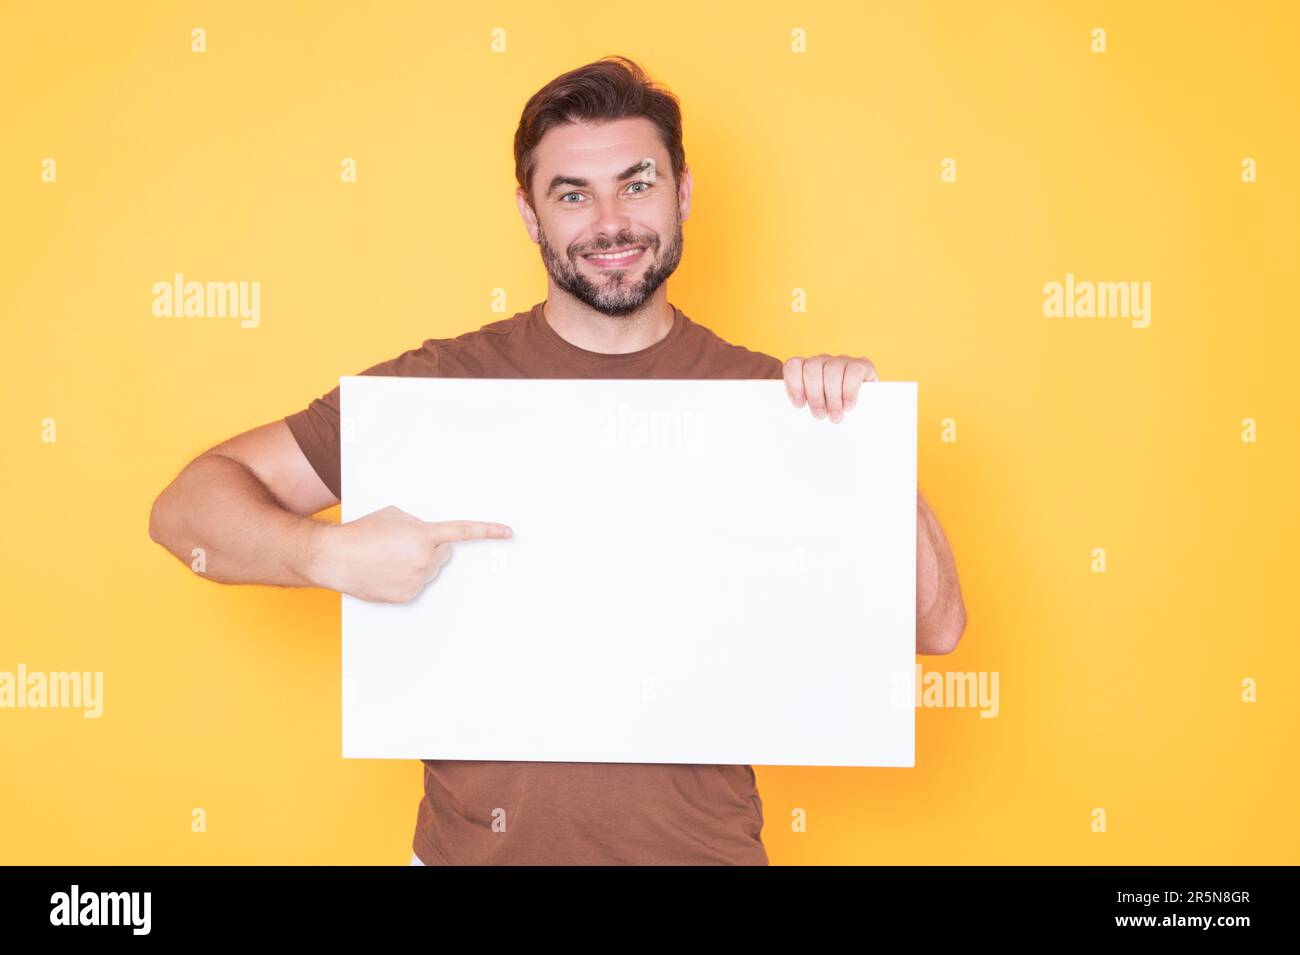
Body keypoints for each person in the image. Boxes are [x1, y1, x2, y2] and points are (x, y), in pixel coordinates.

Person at [148, 55, 967, 866]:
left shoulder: (770, 403)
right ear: (530, 214)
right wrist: (323, 552)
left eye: (636, 184)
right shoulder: (436, 390)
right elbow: (185, 511)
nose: (610, 221)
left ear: (683, 193)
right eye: (573, 194)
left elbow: (938, 627)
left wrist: (868, 447)